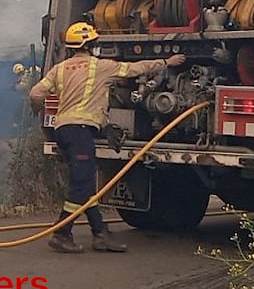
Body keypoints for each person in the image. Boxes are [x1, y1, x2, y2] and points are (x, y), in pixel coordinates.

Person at [29, 22, 185, 253]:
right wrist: (166, 62)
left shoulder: (59, 69)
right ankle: (61, 233)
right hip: (80, 131)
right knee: (81, 186)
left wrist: (37, 107)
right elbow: (135, 69)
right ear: (90, 45)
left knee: (86, 185)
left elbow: (36, 92)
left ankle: (100, 233)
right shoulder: (101, 67)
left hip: (63, 131)